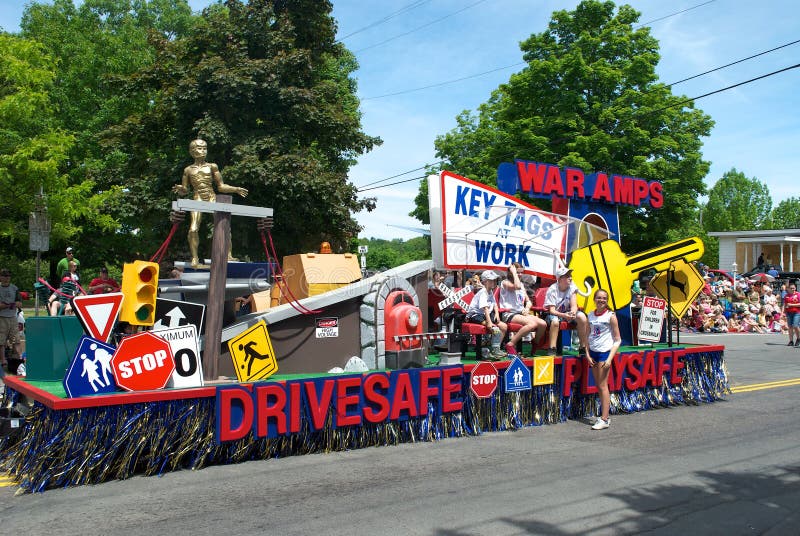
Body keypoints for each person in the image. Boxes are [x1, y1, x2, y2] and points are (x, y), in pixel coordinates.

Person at [173, 138, 249, 267]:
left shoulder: (212, 166)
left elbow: (221, 186)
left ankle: (228, 254)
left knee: (224, 227)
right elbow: (185, 191)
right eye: (199, 148)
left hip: (211, 196)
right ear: (192, 151)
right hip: (197, 197)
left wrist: (235, 189)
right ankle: (195, 258)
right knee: (193, 229)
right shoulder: (188, 170)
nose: (202, 151)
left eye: (204, 148)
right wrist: (181, 189)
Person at [584, 289, 621, 430]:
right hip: (593, 352)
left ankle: (604, 419)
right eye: (599, 298)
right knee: (599, 385)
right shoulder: (590, 315)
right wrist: (587, 354)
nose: (601, 300)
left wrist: (610, 359)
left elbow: (617, 340)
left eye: (604, 298)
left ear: (607, 300)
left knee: (602, 385)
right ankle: (605, 416)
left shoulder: (611, 316)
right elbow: (587, 336)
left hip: (604, 353)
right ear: (594, 299)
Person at [498, 262, 547, 355]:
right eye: (518, 272)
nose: (520, 274)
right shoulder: (505, 283)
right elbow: (517, 287)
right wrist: (514, 273)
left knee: (542, 324)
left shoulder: (521, 285)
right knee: (531, 324)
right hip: (509, 314)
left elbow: (528, 301)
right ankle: (510, 344)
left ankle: (535, 343)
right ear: (511, 272)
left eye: (521, 272)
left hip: (520, 313)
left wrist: (527, 307)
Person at [543, 266, 588, 356]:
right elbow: (552, 310)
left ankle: (583, 348)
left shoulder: (572, 287)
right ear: (559, 279)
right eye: (567, 276)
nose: (570, 278)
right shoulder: (552, 289)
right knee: (555, 321)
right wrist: (565, 316)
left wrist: (573, 313)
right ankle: (552, 349)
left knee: (582, 317)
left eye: (570, 275)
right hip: (553, 314)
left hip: (566, 313)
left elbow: (574, 306)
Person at [465, 270, 506, 360]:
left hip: (484, 314)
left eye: (495, 280)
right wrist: (489, 322)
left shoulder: (490, 291)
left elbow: (494, 304)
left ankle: (495, 348)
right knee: (495, 329)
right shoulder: (483, 292)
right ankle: (495, 349)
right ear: (484, 282)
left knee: (503, 326)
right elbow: (485, 308)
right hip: (475, 315)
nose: (494, 282)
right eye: (491, 280)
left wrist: (497, 314)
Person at [0, 268, 22, 376]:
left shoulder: (14, 288)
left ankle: (18, 358)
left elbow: (19, 303)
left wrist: (10, 305)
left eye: (8, 276)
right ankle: (3, 361)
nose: (6, 278)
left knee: (16, 339)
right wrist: (8, 305)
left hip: (13, 317)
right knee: (1, 341)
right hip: (1, 317)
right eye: (4, 275)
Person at [783, 282, 800, 347]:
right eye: (791, 288)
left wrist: (792, 305)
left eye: (793, 288)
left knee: (796, 325)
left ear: (795, 288)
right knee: (790, 327)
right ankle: (791, 341)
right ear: (789, 289)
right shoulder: (786, 295)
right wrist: (783, 312)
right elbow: (784, 304)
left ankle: (798, 338)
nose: (792, 289)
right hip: (789, 312)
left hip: (797, 312)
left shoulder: (798, 294)